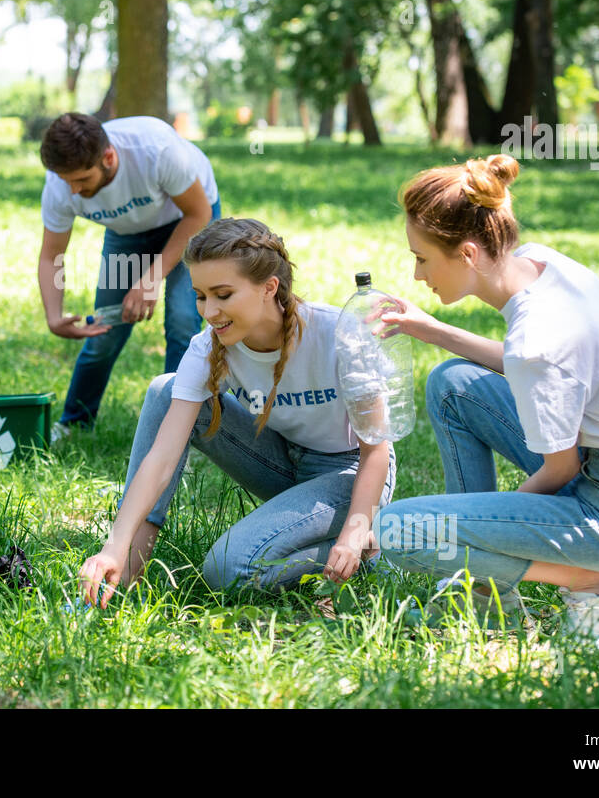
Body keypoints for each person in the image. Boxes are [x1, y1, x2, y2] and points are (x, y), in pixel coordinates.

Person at [372, 154, 599, 648]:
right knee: (453, 385)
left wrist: (474, 540)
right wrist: (433, 330)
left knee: (401, 530)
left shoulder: (535, 342)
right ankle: (483, 601)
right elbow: (542, 372)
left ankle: (594, 584)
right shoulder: (545, 264)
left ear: (468, 254)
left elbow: (559, 469)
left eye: (421, 257)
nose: (417, 275)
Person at [78, 218, 395, 606]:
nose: (209, 311)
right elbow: (161, 458)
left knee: (227, 571)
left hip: (350, 473)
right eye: (199, 296)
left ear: (269, 287)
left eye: (223, 294)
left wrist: (352, 531)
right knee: (166, 389)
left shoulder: (339, 335)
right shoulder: (209, 346)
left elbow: (375, 451)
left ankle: (371, 547)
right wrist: (114, 544)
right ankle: (127, 569)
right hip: (282, 460)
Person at [37, 112, 221, 436]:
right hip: (127, 234)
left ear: (108, 157)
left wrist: (151, 278)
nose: (74, 191)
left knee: (182, 321)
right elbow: (52, 255)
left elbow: (199, 213)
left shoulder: (156, 150)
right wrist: (53, 316)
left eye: (81, 180)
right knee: (105, 328)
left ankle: (177, 434)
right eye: (68, 182)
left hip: (188, 221)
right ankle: (75, 424)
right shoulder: (61, 185)